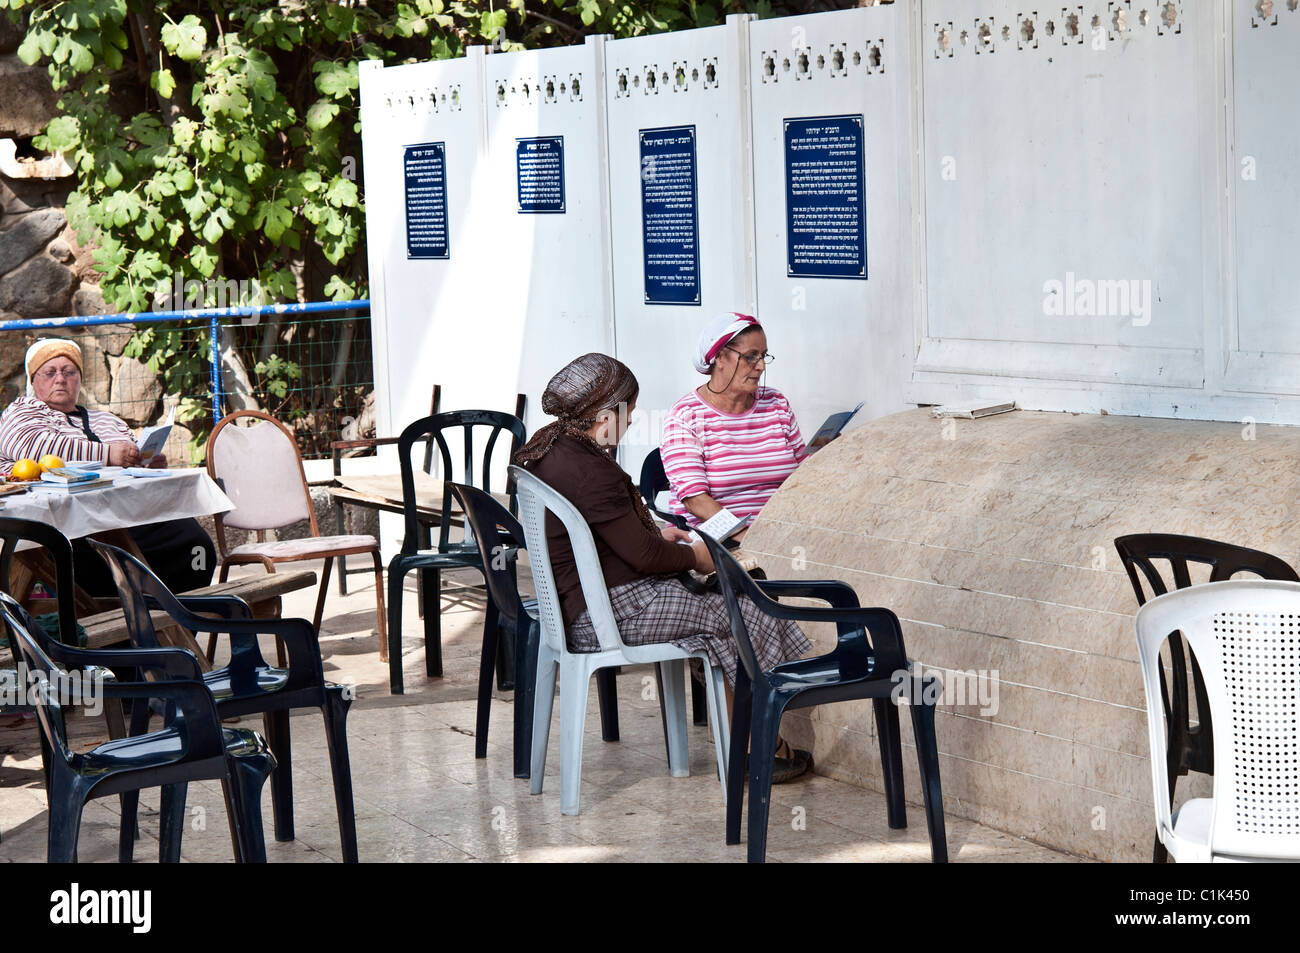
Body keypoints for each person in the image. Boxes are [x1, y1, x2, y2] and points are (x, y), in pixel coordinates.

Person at [515, 352, 813, 782]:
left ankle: (748, 744)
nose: (633, 422)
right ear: (603, 416)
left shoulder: (551, 447)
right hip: (615, 610)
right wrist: (696, 555)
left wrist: (654, 532)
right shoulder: (591, 471)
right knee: (745, 609)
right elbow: (644, 558)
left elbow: (608, 530)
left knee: (725, 609)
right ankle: (758, 746)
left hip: (578, 605)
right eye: (629, 413)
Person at [0, 338, 217, 596]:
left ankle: (170, 626)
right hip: (69, 526)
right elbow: (33, 448)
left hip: (125, 516)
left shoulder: (106, 420)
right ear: (33, 380)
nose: (60, 379)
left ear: (80, 380)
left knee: (196, 545)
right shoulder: (22, 411)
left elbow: (131, 454)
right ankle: (128, 621)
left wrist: (146, 462)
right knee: (106, 562)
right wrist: (109, 454)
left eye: (69, 372)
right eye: (49, 372)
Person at [661, 312, 806, 530]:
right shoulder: (686, 415)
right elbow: (695, 501)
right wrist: (746, 536)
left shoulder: (776, 403)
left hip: (780, 531)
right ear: (719, 357)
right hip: (717, 541)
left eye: (763, 356)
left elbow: (803, 469)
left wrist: (825, 454)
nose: (761, 366)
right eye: (750, 356)